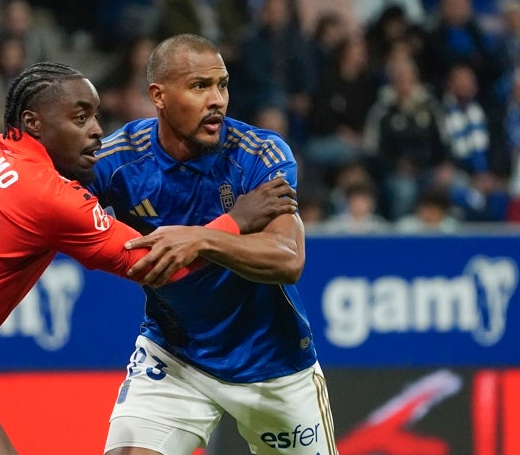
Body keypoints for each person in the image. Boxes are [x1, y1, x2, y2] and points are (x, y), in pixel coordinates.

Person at [0, 62, 297, 455]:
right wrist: (234, 222)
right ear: (33, 123)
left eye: (97, 118)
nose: (97, 133)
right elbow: (162, 268)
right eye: (80, 117)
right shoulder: (56, 198)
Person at [89, 34, 338, 455]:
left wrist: (202, 237)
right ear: (159, 96)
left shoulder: (259, 154)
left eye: (222, 84)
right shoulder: (117, 162)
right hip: (175, 356)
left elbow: (288, 258)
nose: (218, 99)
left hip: (273, 365)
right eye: (200, 86)